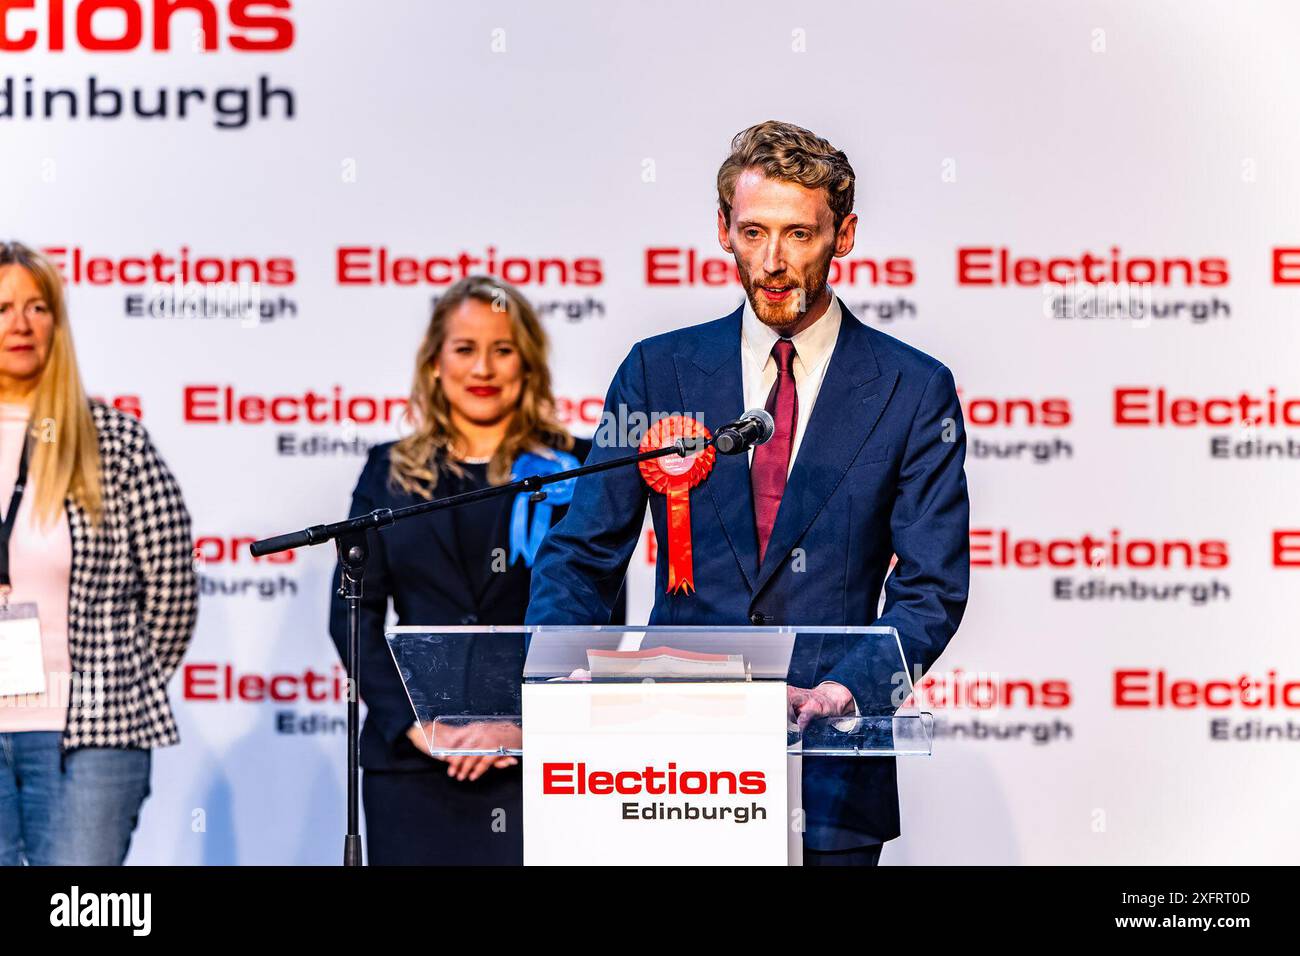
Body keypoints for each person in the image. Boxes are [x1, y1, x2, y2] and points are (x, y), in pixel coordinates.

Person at [526, 121, 971, 866]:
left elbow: (932, 587)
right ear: (723, 231)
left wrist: (846, 690)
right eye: (754, 231)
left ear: (845, 235)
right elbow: (581, 552)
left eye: (799, 233)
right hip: (671, 762)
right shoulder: (657, 369)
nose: (773, 261)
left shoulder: (913, 388)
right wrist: (558, 666)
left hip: (832, 764)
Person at [329, 275, 619, 866]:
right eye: (464, 349)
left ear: (528, 364)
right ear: (435, 363)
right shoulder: (387, 472)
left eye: (503, 349)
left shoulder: (575, 465)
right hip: (411, 765)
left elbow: (599, 616)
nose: (482, 368)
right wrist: (420, 727)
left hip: (541, 763)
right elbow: (352, 614)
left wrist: (519, 727)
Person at [0, 241, 198, 866]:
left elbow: (172, 589)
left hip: (89, 734)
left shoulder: (113, 440)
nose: (21, 324)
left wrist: (118, 682)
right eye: (3, 307)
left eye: (38, 307)